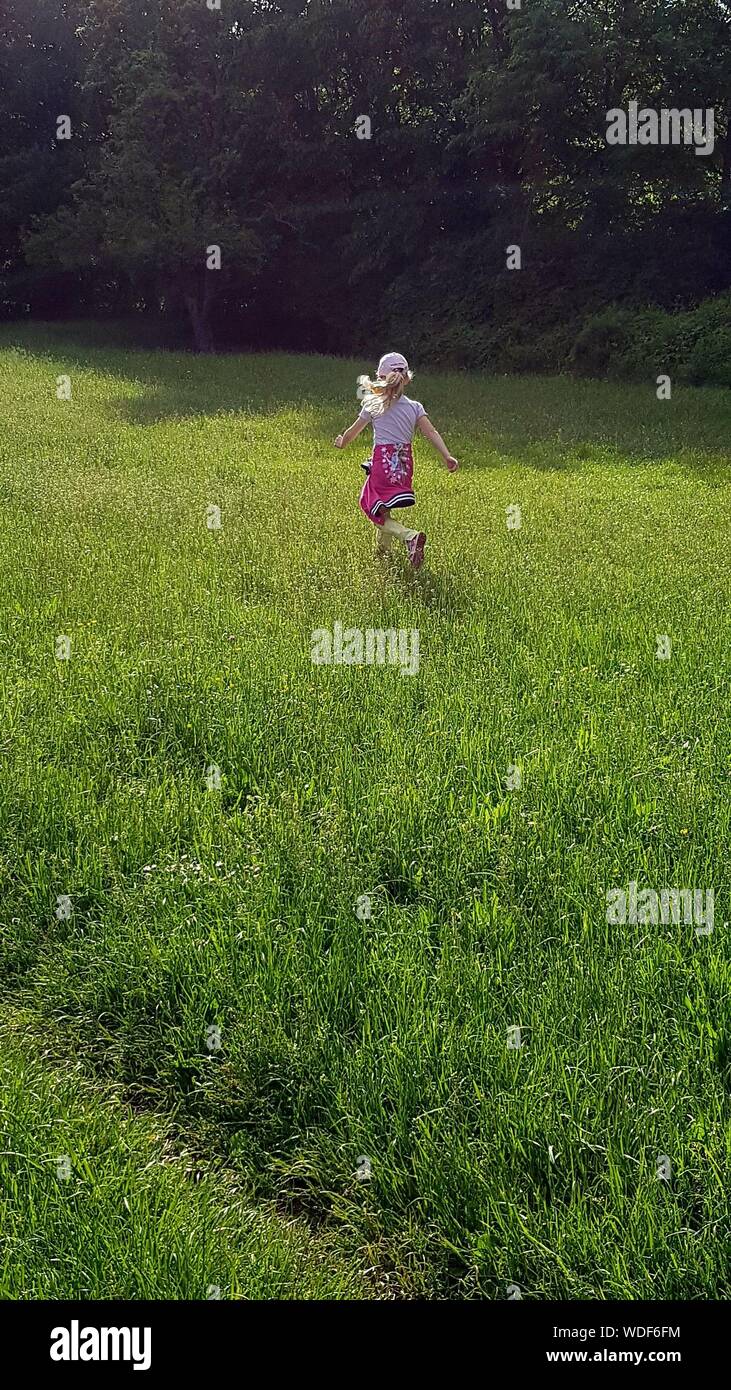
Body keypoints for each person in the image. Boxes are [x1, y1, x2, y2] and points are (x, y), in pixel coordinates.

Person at [334, 351, 458, 568]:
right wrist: (447, 456)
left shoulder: (373, 403)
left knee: (369, 504)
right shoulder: (414, 406)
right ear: (407, 378)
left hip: (382, 463)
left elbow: (354, 431)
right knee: (383, 507)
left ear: (381, 377)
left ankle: (409, 536)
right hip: (404, 464)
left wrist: (342, 442)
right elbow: (432, 433)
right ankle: (383, 553)